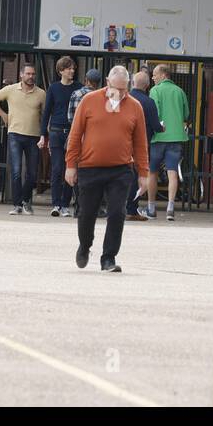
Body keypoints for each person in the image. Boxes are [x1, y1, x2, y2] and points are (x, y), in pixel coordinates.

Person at [66, 66, 149, 273]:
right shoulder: (89, 101)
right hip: (89, 167)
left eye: (124, 89)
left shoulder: (135, 106)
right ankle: (85, 246)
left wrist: (144, 173)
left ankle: (108, 258)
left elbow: (140, 143)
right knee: (87, 213)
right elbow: (75, 135)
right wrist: (70, 165)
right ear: (107, 82)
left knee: (117, 213)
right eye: (116, 88)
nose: (120, 93)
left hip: (120, 170)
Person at [0, 64, 46, 215]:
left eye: (33, 74)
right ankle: (17, 205)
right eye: (28, 73)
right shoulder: (11, 89)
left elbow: (45, 115)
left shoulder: (41, 94)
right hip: (15, 134)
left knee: (32, 173)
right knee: (16, 171)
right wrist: (3, 115)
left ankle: (26, 200)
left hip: (33, 136)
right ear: (21, 75)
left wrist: (44, 134)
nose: (31, 76)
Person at [39, 57, 83, 218]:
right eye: (69, 68)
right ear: (61, 71)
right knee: (57, 168)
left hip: (73, 131)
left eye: (73, 68)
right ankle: (56, 204)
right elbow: (46, 112)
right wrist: (43, 135)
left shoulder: (79, 88)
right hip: (57, 131)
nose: (72, 71)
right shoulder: (53, 88)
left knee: (70, 168)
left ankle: (65, 204)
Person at [148, 64, 191, 221]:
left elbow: (155, 112)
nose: (153, 78)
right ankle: (170, 207)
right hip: (176, 138)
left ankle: (151, 208)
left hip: (158, 138)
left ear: (164, 75)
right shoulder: (180, 91)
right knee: (172, 172)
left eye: (155, 75)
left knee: (152, 172)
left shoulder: (155, 91)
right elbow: (186, 113)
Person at [127, 70, 163, 221]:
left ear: (132, 83)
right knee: (137, 176)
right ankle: (131, 209)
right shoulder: (149, 102)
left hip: (122, 144)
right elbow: (156, 126)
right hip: (141, 145)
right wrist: (161, 127)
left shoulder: (124, 98)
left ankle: (116, 207)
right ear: (147, 86)